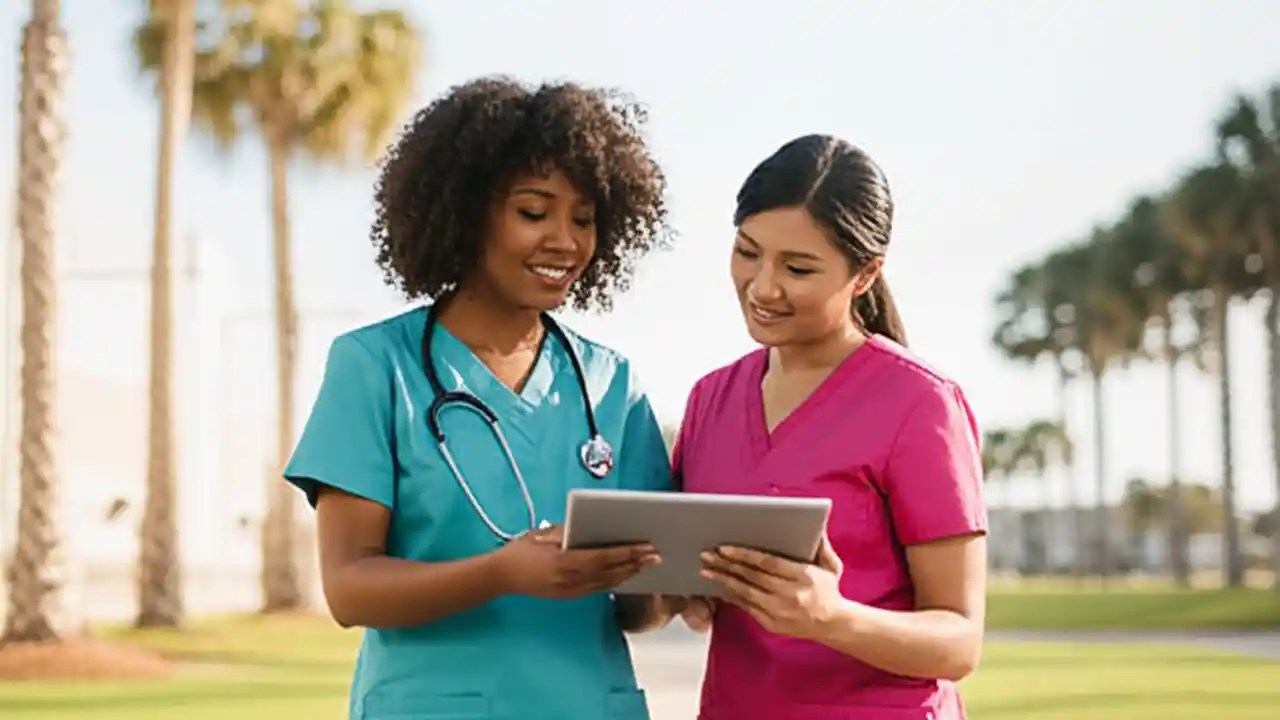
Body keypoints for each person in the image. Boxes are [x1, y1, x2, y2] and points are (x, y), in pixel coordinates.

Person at [282, 76, 681, 720]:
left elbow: (643, 607)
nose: (565, 240)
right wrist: (501, 573)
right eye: (534, 211)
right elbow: (350, 589)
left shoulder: (613, 384)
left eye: (584, 218)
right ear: (468, 211)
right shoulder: (374, 367)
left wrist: (669, 581)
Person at [672, 134, 988, 719]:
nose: (763, 286)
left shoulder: (920, 404)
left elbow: (959, 640)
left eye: (798, 268)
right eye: (747, 252)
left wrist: (830, 617)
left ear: (865, 274)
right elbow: (684, 584)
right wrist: (685, 588)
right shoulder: (710, 400)